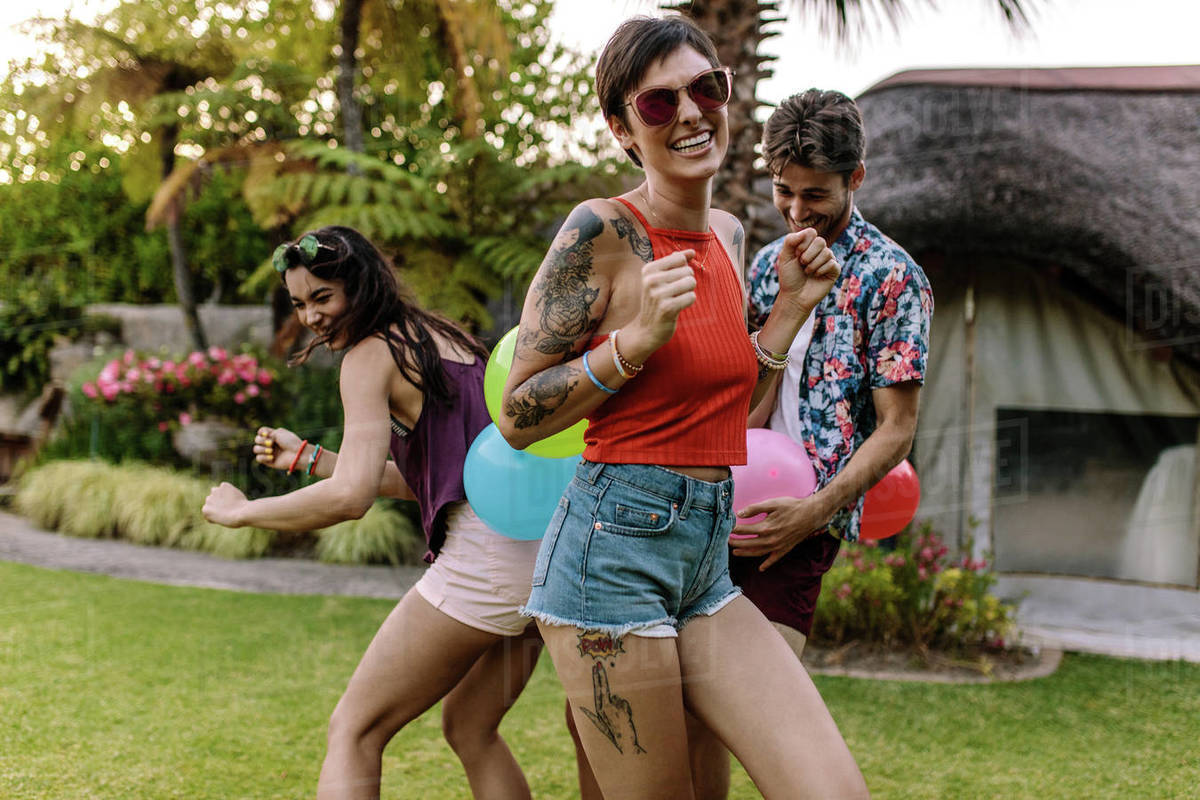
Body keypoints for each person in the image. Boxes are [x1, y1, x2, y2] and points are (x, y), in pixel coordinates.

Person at [497, 16, 868, 800]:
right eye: (659, 103)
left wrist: (788, 315)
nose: (693, 113)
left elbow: (734, 408)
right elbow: (517, 413)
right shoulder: (600, 230)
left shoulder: (728, 234)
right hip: (612, 557)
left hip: (706, 554)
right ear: (623, 128)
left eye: (707, 88)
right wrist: (633, 341)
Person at [201, 225, 543, 800]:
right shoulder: (443, 338)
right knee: (470, 728)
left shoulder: (369, 355)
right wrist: (312, 458)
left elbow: (350, 498)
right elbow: (437, 482)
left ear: (360, 285)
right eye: (299, 303)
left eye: (322, 298)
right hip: (541, 555)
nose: (310, 316)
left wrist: (244, 511)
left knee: (354, 729)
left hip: (485, 563)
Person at [688, 88, 934, 797]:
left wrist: (814, 513)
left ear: (856, 178)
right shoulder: (766, 267)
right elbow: (749, 395)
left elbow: (898, 427)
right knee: (697, 711)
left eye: (815, 195)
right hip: (723, 508)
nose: (796, 212)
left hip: (798, 528)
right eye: (784, 192)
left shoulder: (894, 280)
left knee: (762, 725)